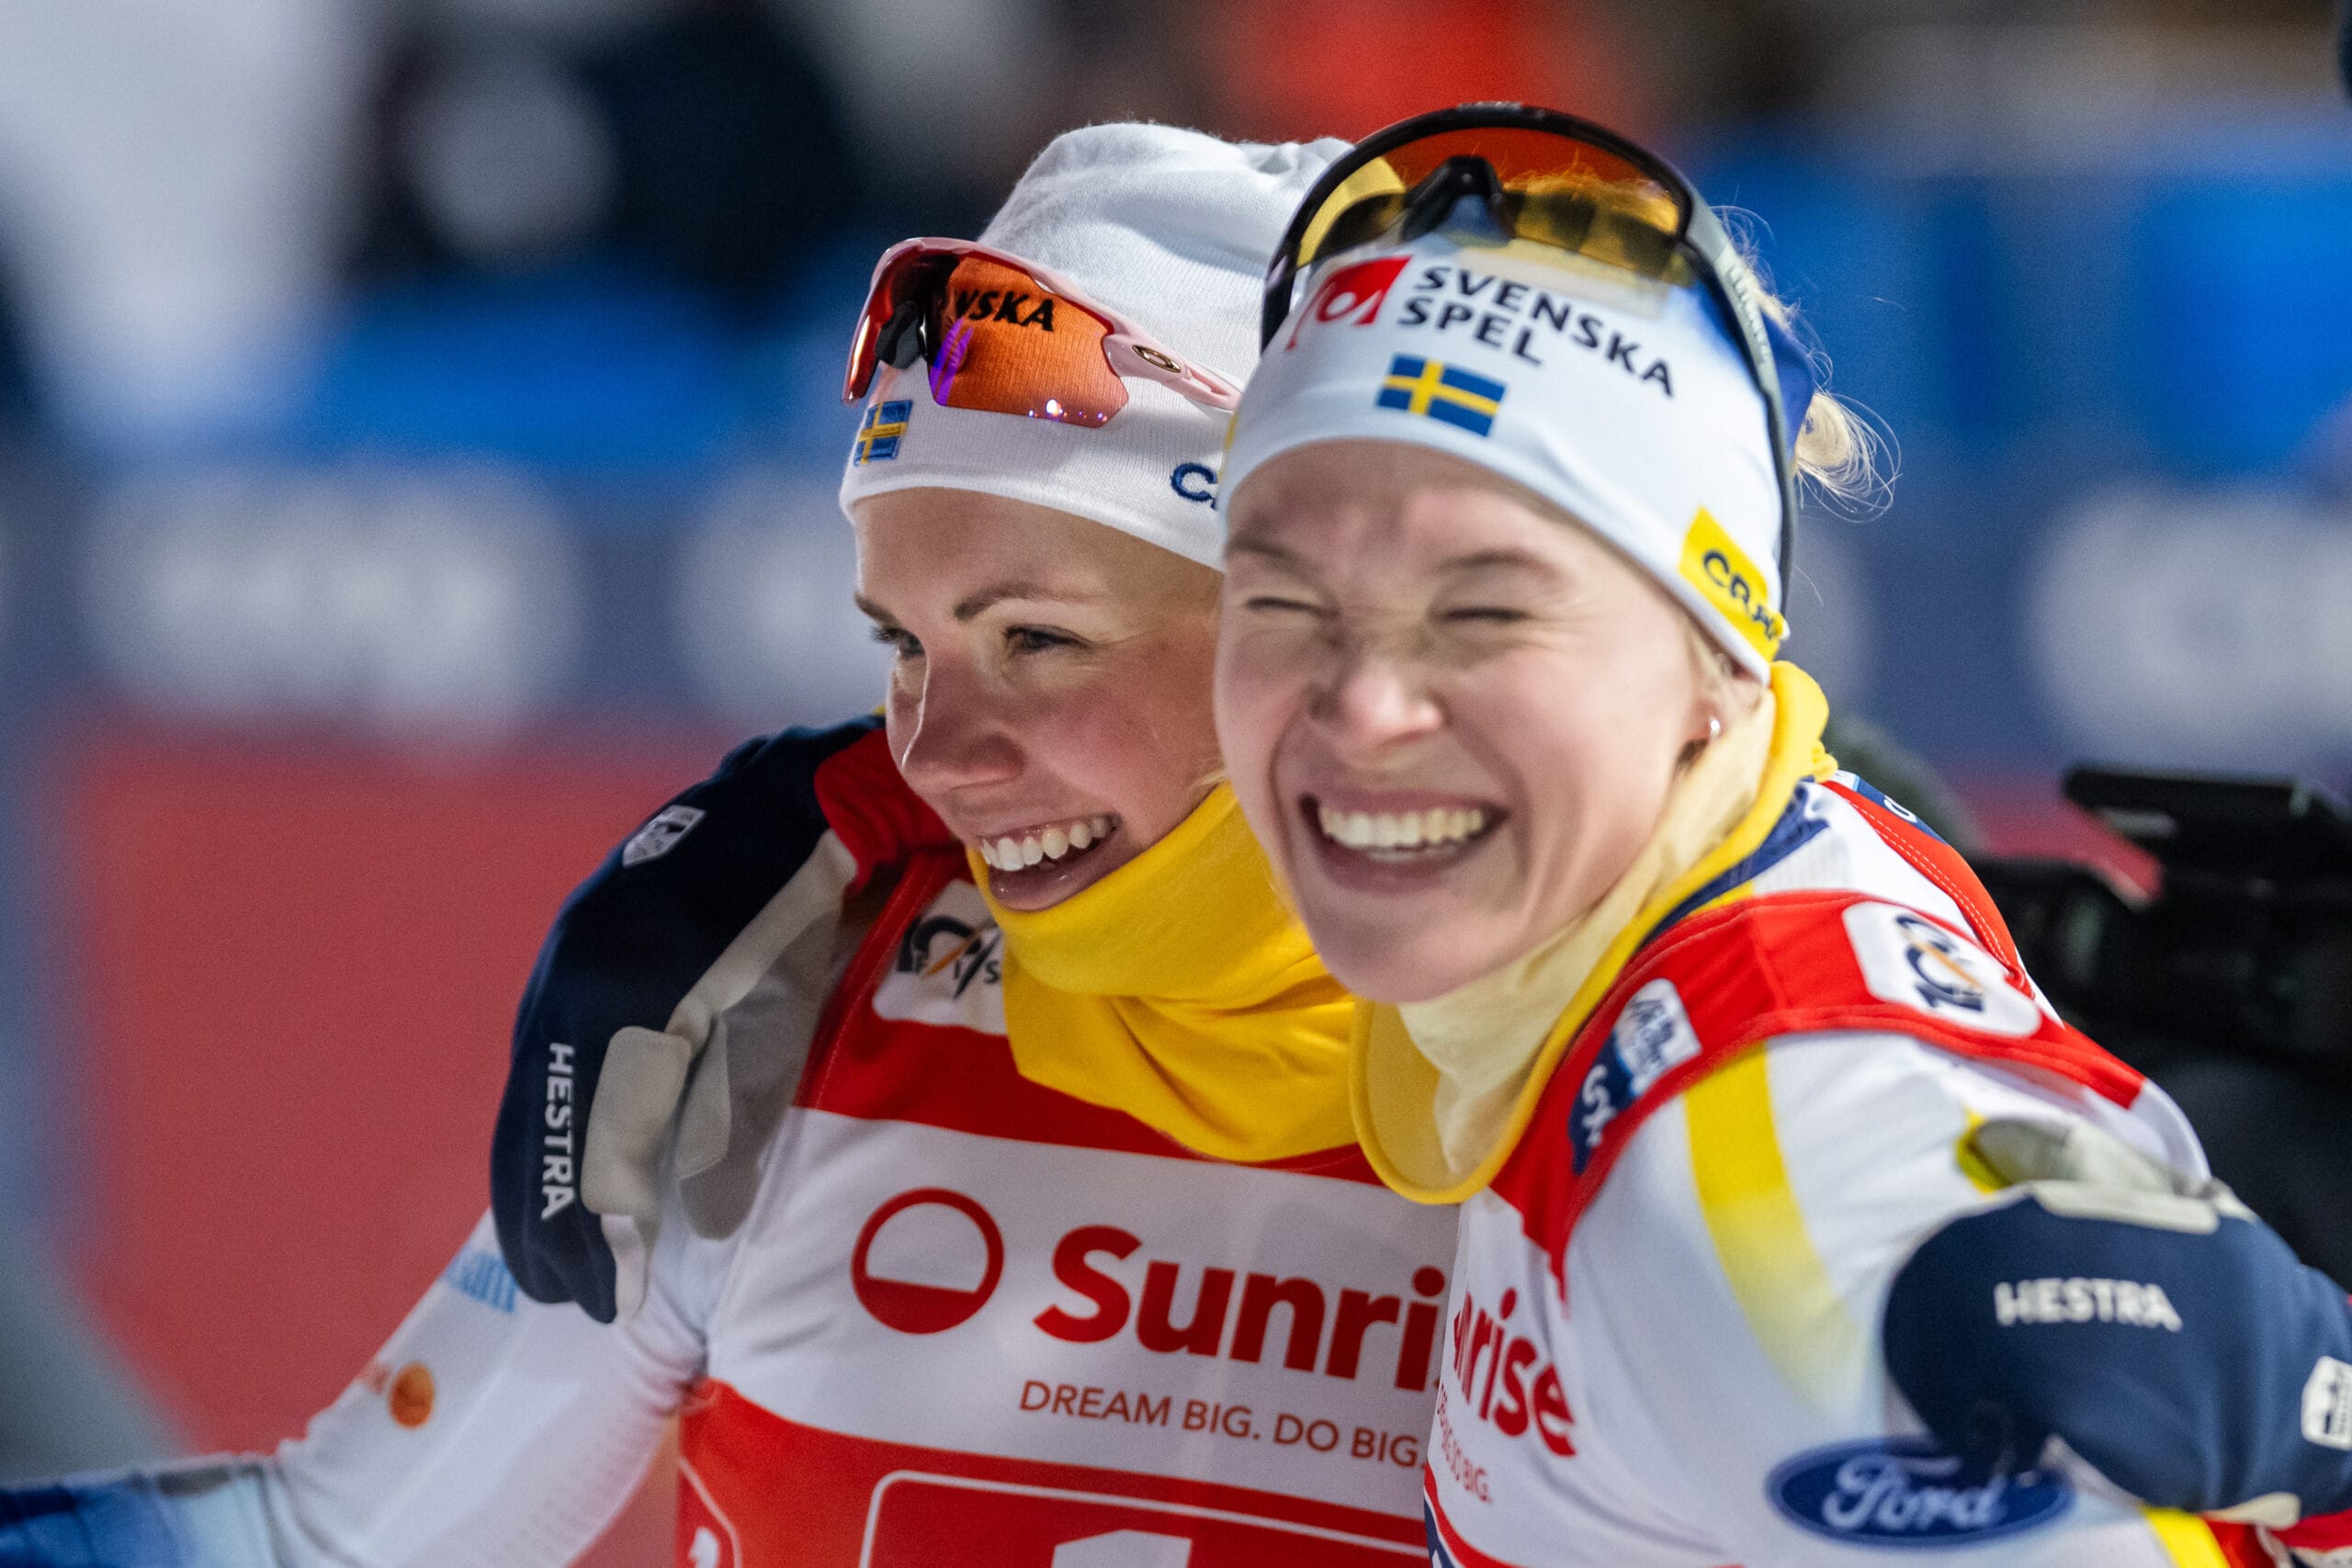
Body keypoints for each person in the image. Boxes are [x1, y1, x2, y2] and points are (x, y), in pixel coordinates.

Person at [0, 125, 1457, 1567]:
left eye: (1038, 641)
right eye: (905, 645)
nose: (934, 751)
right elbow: (325, 1545)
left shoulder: (1559, 1103)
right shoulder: (786, 995)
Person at [1210, 104, 2352, 1566]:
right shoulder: (1708, 867)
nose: (1365, 707)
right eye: (1284, 602)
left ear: (1720, 663)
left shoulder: (1750, 1194)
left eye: (1484, 611)